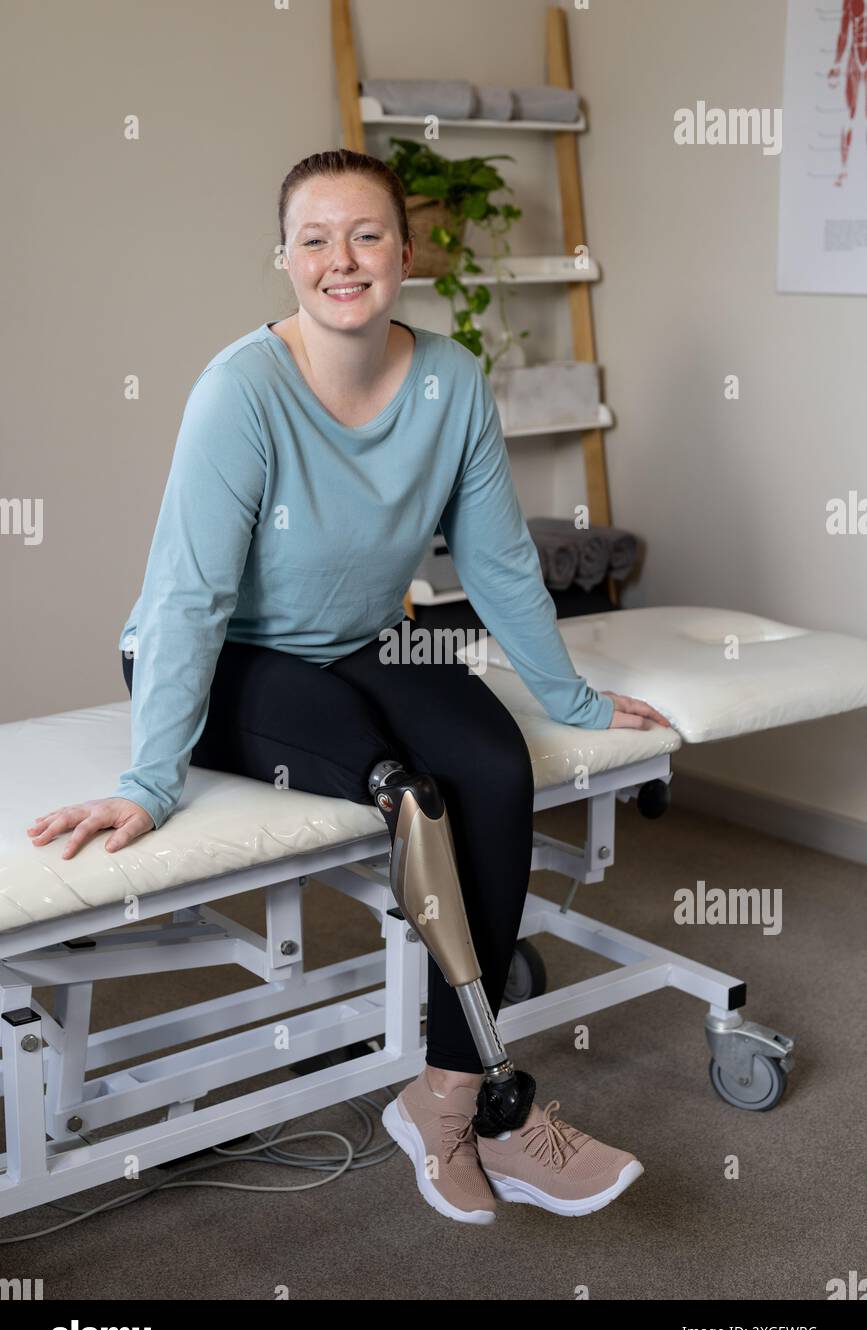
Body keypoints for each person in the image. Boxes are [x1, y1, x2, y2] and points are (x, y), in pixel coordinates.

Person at [27, 148, 670, 1224]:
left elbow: (501, 559)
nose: (343, 258)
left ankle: (454, 1097)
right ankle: (493, 1109)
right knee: (408, 787)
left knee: (493, 765)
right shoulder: (241, 389)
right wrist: (149, 777)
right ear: (282, 258)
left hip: (366, 637)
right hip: (226, 654)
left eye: (367, 234)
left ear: (405, 252)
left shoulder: (451, 380)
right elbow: (187, 595)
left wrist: (570, 698)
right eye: (315, 237)